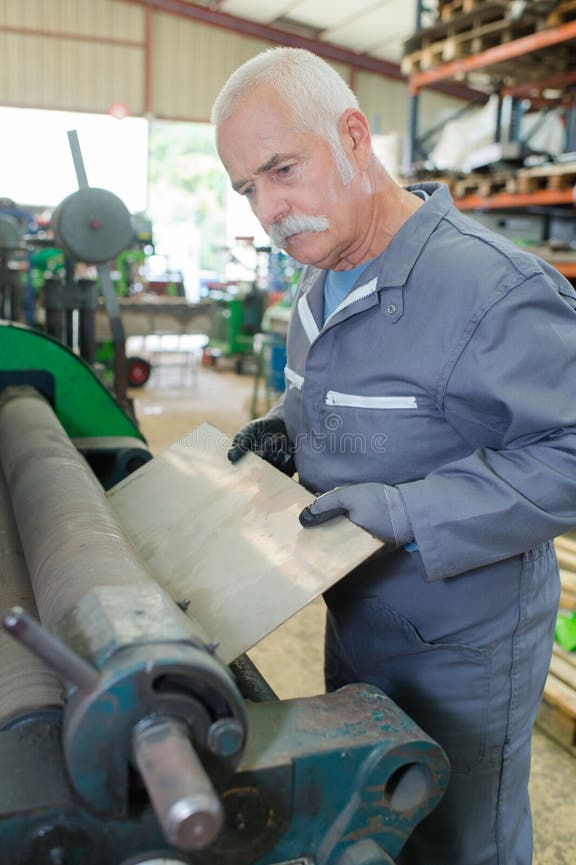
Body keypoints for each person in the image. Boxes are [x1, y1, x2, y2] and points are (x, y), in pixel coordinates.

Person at [211, 47, 576, 865]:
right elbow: (353, 402)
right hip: (356, 618)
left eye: (282, 170)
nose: (270, 209)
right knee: (374, 824)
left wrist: (411, 510)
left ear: (352, 136)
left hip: (464, 646)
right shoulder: (318, 284)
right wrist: (286, 426)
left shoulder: (492, 290)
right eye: (247, 189)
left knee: (457, 840)